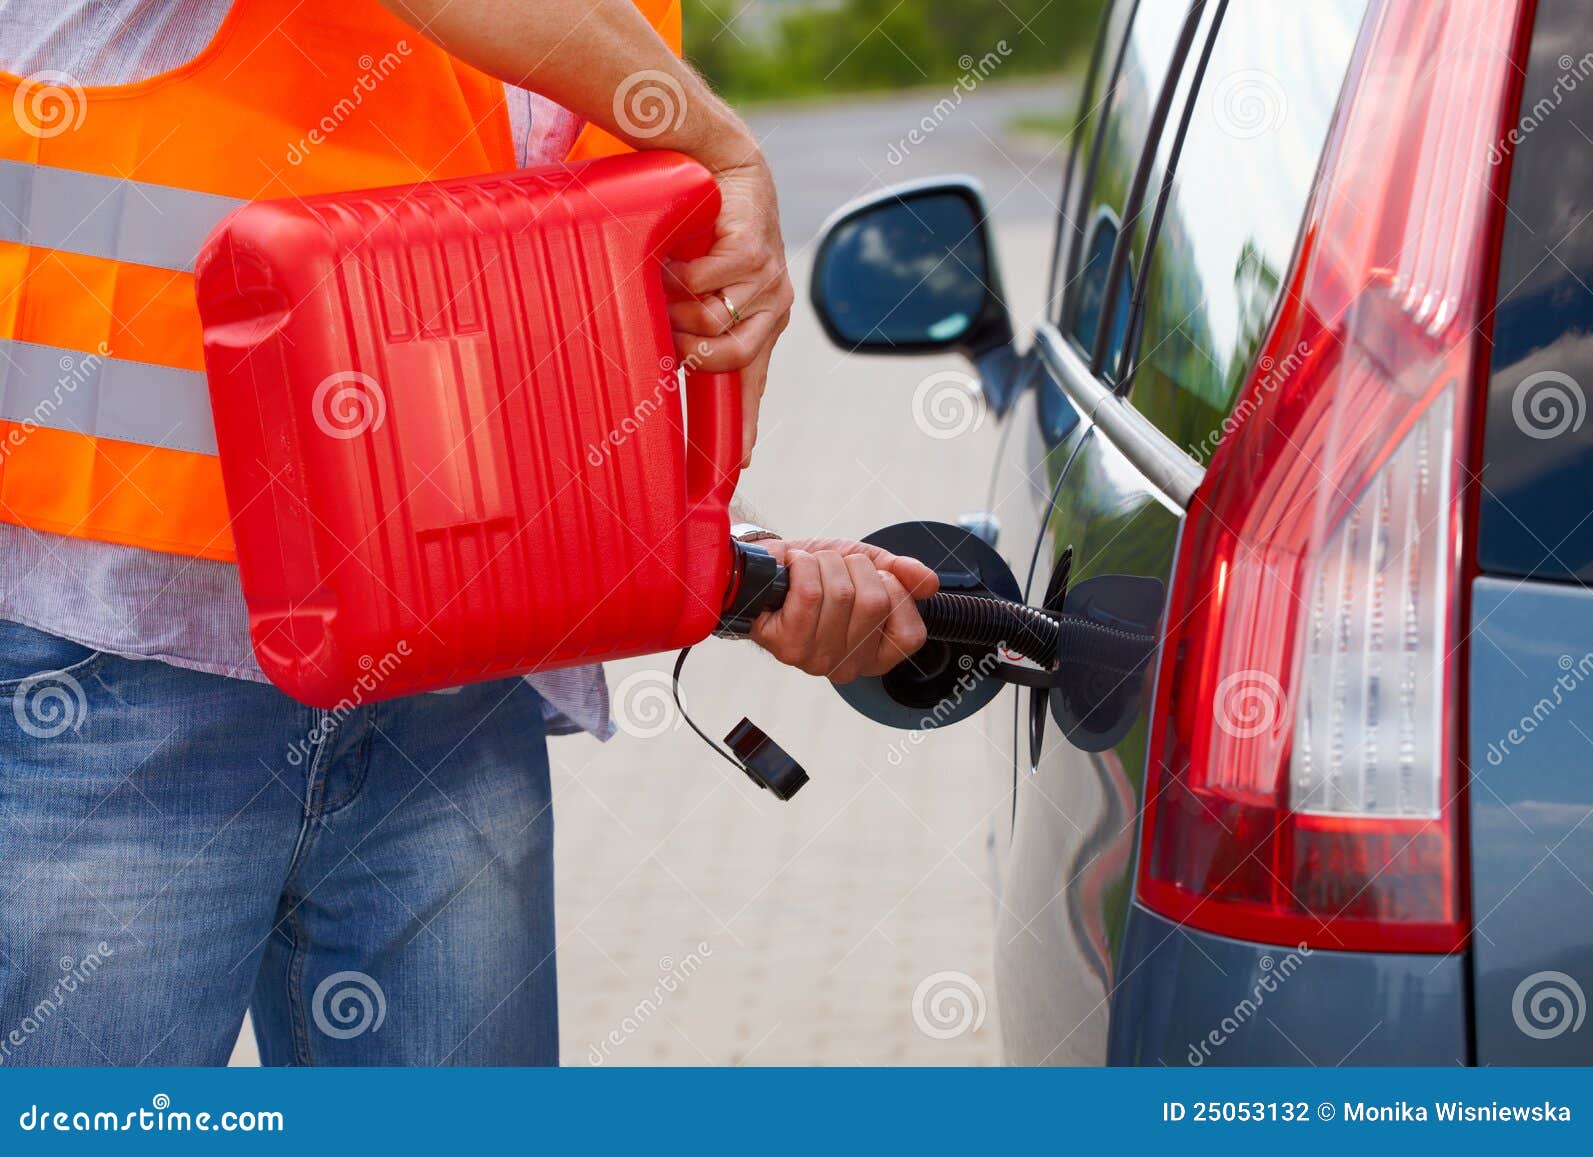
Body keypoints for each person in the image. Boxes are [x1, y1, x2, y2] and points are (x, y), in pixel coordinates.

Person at [0, 0, 935, 1066]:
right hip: (117, 677)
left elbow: (522, 349)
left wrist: (729, 552)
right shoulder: (660, 93)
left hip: (452, 681)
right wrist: (721, 148)